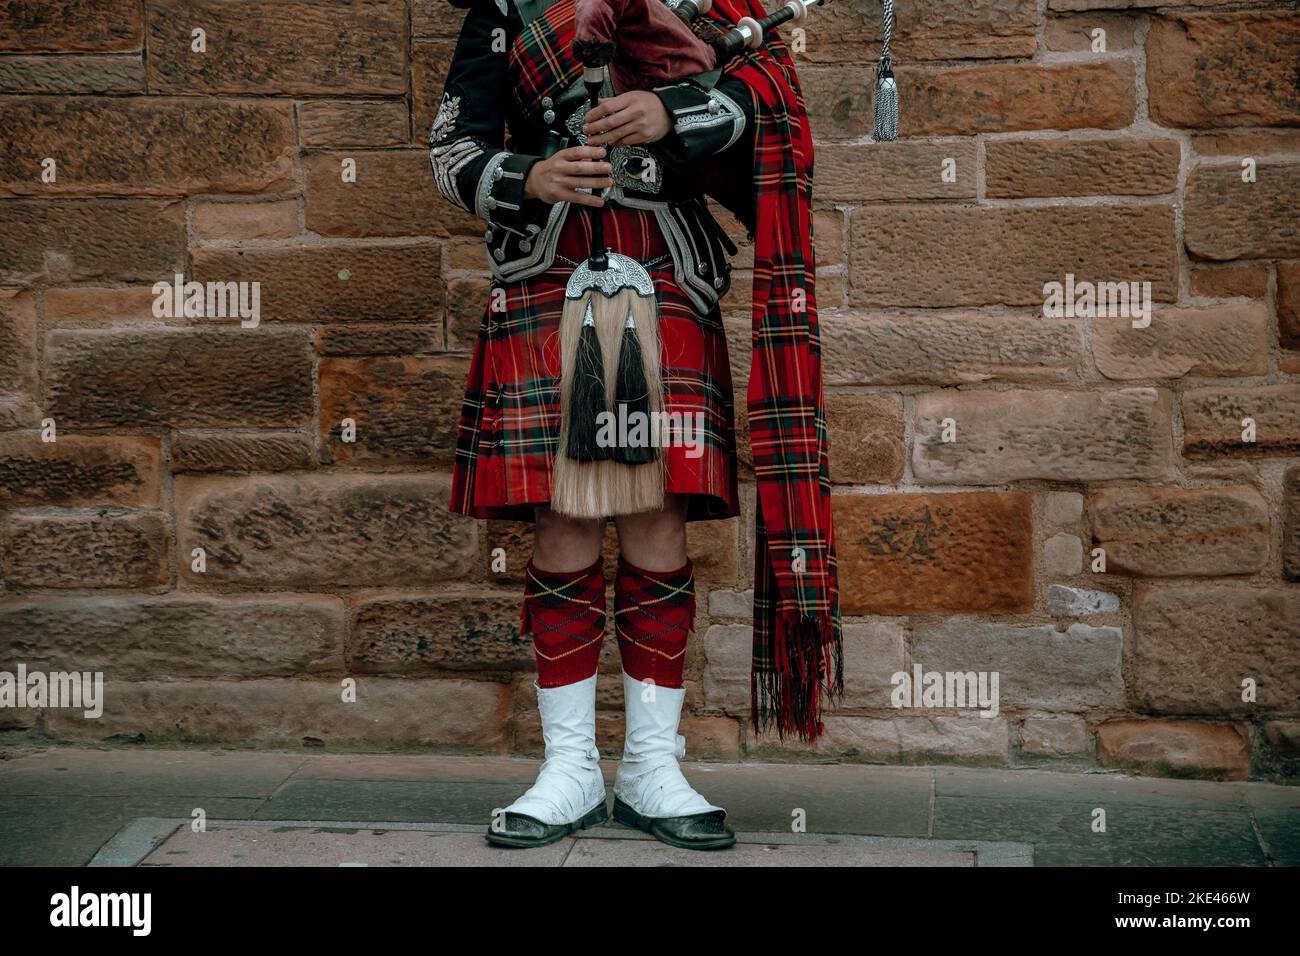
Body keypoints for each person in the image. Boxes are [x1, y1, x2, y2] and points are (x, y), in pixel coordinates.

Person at [429, 0, 841, 852]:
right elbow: (450, 150)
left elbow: (769, 107)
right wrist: (528, 176)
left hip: (667, 272)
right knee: (564, 516)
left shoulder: (709, 7)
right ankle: (570, 769)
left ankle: (655, 766)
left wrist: (671, 110)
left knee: (658, 514)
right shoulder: (505, 11)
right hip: (547, 273)